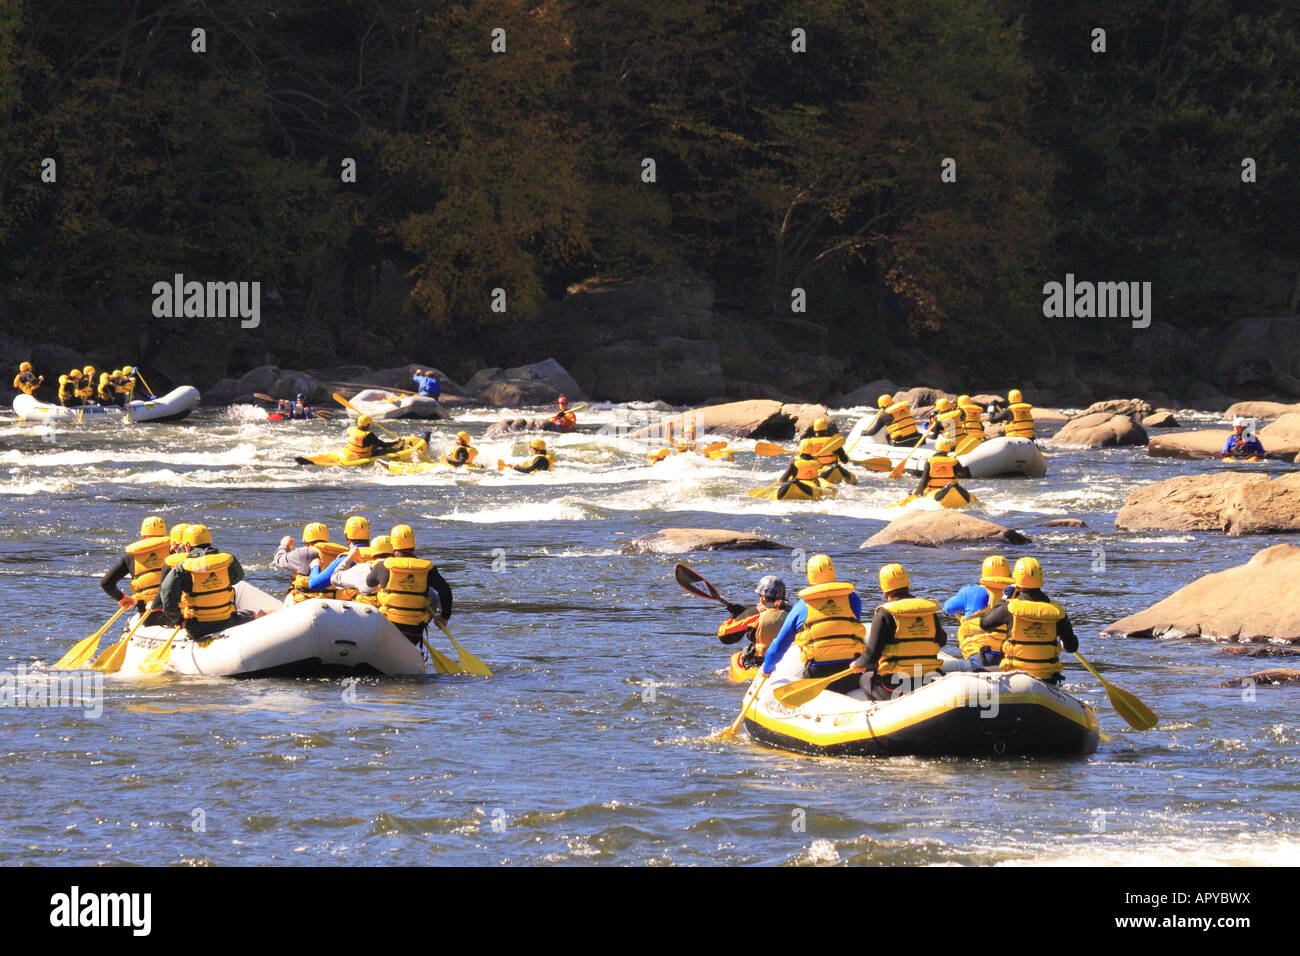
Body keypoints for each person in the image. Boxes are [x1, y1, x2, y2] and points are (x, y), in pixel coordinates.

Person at [761, 555, 867, 695]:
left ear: (809, 579)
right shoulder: (853, 599)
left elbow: (779, 645)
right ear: (833, 574)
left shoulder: (801, 607)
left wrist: (766, 669)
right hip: (851, 673)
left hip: (817, 675)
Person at [849, 563, 946, 700]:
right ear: (907, 583)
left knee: (865, 679)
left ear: (884, 589)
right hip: (929, 680)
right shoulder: (928, 611)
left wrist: (858, 664)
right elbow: (942, 641)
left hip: (896, 685)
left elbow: (871, 657)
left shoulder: (885, 614)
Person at [972, 557, 1077, 683]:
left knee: (976, 673)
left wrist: (1005, 599)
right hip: (1047, 678)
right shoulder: (1057, 612)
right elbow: (1071, 647)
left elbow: (984, 623)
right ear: (1041, 579)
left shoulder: (1009, 608)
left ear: (1016, 582)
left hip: (1014, 675)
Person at [365, 524, 453, 646]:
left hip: (388, 629)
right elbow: (445, 591)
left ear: (393, 546)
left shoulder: (383, 566)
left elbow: (369, 582)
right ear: (413, 545)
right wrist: (444, 617)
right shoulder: (427, 569)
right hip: (414, 632)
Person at [159, 524, 248, 638]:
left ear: (186, 546)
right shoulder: (228, 561)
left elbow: (167, 600)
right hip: (229, 622)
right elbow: (238, 576)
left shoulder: (181, 569)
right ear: (209, 543)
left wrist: (179, 620)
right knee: (255, 614)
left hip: (197, 629)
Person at [943, 555, 1013, 670]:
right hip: (1009, 659)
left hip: (979, 659)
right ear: (1009, 575)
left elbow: (947, 608)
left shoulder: (970, 591)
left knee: (928, 670)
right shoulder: (1016, 595)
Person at [716, 575, 791, 670]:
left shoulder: (754, 613)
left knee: (742, 655)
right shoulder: (793, 611)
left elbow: (724, 636)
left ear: (763, 598)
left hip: (759, 663)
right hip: (788, 661)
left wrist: (734, 617)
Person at [100, 516, 170, 615]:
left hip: (147, 614)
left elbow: (106, 583)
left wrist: (121, 597)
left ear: (143, 536)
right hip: (175, 612)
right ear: (164, 535)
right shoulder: (174, 551)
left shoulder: (131, 556)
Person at [309, 535, 394, 605]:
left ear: (349, 541)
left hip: (364, 610)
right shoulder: (400, 568)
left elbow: (315, 584)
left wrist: (315, 566)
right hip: (389, 611)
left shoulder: (354, 563)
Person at [276, 523, 348, 602]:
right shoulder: (341, 554)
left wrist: (284, 545)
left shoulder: (304, 553)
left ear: (307, 542)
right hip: (335, 601)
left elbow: (279, 560)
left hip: (306, 600)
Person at [911, 437, 973, 504]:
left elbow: (924, 482)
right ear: (948, 449)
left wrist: (916, 493)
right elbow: (964, 473)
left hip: (934, 492)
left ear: (936, 447)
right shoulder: (954, 461)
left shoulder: (929, 461)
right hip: (953, 490)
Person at [801, 417, 856, 484]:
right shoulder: (833, 442)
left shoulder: (807, 443)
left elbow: (803, 462)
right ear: (826, 430)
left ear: (815, 430)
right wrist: (845, 457)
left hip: (818, 472)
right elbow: (844, 460)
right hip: (834, 469)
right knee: (854, 479)